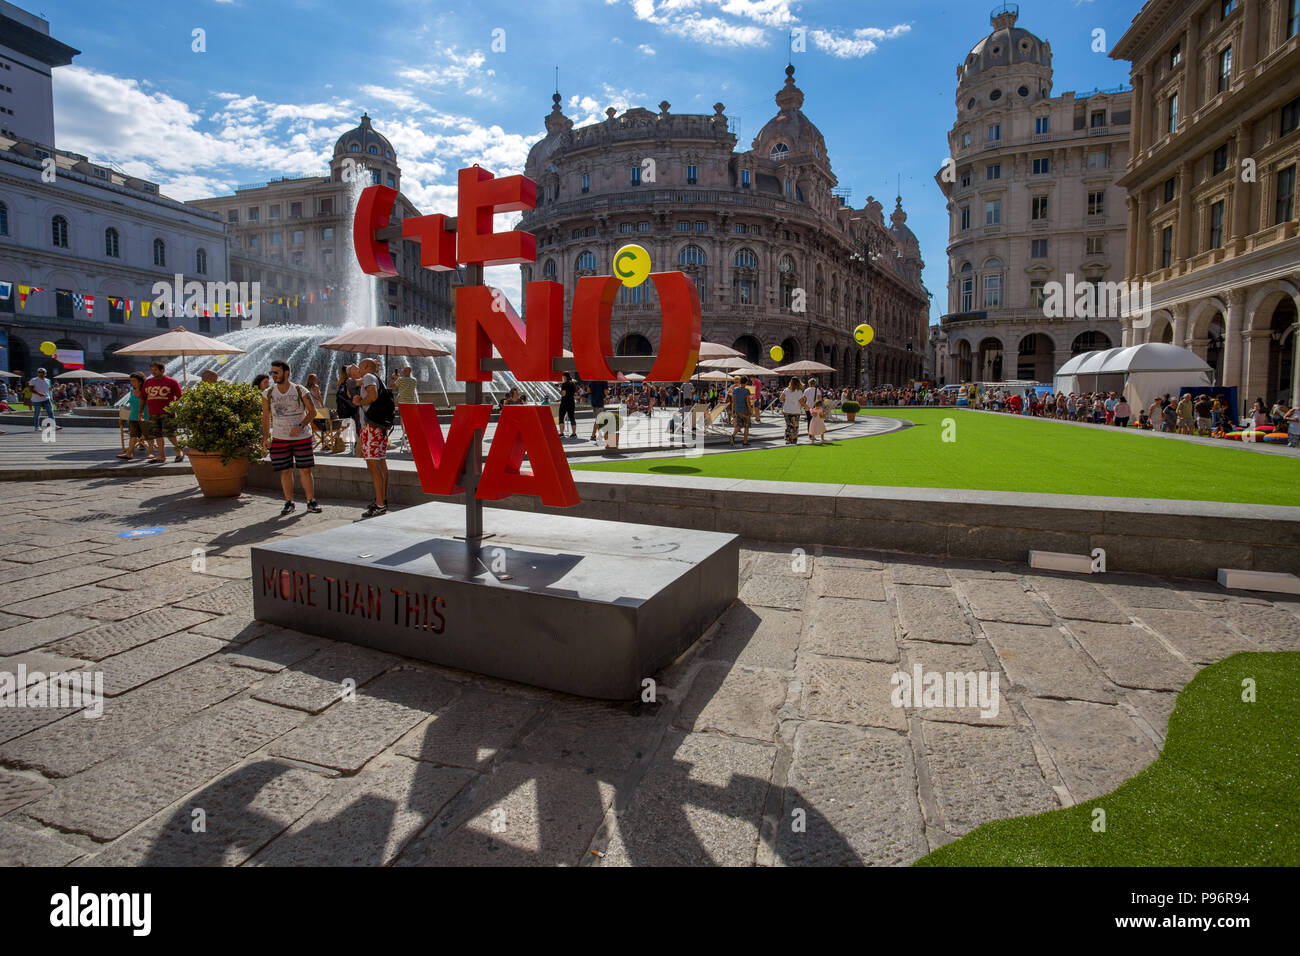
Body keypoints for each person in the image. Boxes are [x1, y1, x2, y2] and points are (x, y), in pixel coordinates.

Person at [262, 359, 321, 516]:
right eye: (271, 372)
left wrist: (300, 426)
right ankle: (289, 502)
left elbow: (313, 412)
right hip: (280, 437)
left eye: (276, 372)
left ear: (286, 373)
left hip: (302, 437)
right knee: (285, 471)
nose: (273, 375)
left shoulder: (300, 390)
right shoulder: (268, 393)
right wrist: (266, 437)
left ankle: (311, 501)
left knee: (305, 470)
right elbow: (266, 416)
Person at [352, 357, 391, 518]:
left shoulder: (369, 377)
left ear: (366, 366)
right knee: (381, 463)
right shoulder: (378, 379)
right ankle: (382, 499)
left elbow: (373, 396)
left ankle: (380, 504)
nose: (359, 370)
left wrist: (359, 401)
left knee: (373, 465)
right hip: (380, 428)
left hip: (371, 426)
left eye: (361, 366)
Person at [143, 361, 183, 462]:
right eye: (151, 370)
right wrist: (140, 411)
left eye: (155, 370)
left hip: (167, 413)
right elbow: (143, 398)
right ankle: (161, 456)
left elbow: (180, 397)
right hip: (152, 413)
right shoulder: (148, 382)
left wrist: (173, 407)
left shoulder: (171, 382)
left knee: (170, 434)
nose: (153, 372)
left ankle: (179, 452)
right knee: (157, 435)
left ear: (162, 370)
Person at [115, 372, 151, 460]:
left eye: (134, 381)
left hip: (144, 416)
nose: (132, 382)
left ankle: (151, 453)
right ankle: (129, 453)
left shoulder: (146, 392)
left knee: (148, 436)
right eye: (131, 381)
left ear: (140, 382)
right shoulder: (131, 392)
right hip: (133, 416)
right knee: (133, 435)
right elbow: (131, 405)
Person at [27, 368, 58, 433]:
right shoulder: (33, 380)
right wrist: (39, 393)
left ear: (45, 373)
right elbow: (31, 390)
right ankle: (37, 427)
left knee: (50, 412)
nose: (41, 373)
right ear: (37, 373)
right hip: (36, 400)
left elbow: (49, 389)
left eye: (42, 372)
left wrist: (51, 397)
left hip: (46, 399)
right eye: (39, 372)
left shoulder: (48, 380)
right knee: (37, 413)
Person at [729, 375, 753, 446]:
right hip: (745, 410)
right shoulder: (746, 391)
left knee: (739, 425)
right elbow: (748, 402)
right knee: (746, 426)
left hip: (737, 409)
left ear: (740, 381)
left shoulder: (735, 390)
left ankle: (732, 436)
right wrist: (751, 410)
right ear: (746, 382)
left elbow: (733, 401)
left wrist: (733, 410)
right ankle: (745, 442)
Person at [781, 377, 803, 444]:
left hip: (786, 410)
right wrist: (808, 408)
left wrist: (786, 401)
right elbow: (801, 402)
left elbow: (781, 398)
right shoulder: (799, 391)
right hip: (795, 411)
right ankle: (793, 439)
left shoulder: (786, 390)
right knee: (795, 426)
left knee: (788, 425)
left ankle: (788, 439)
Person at [587, 378, 608, 442]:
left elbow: (588, 390)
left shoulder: (592, 380)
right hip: (600, 401)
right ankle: (594, 435)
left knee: (598, 419)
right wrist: (605, 394)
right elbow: (606, 392)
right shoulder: (604, 380)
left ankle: (599, 435)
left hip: (593, 401)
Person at [558, 372, 577, 438]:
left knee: (561, 417)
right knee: (572, 417)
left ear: (565, 377)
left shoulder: (564, 384)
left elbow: (563, 394)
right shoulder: (573, 384)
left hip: (564, 402)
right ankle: (574, 433)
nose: (562, 378)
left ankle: (561, 433)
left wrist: (560, 389)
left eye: (563, 377)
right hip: (571, 402)